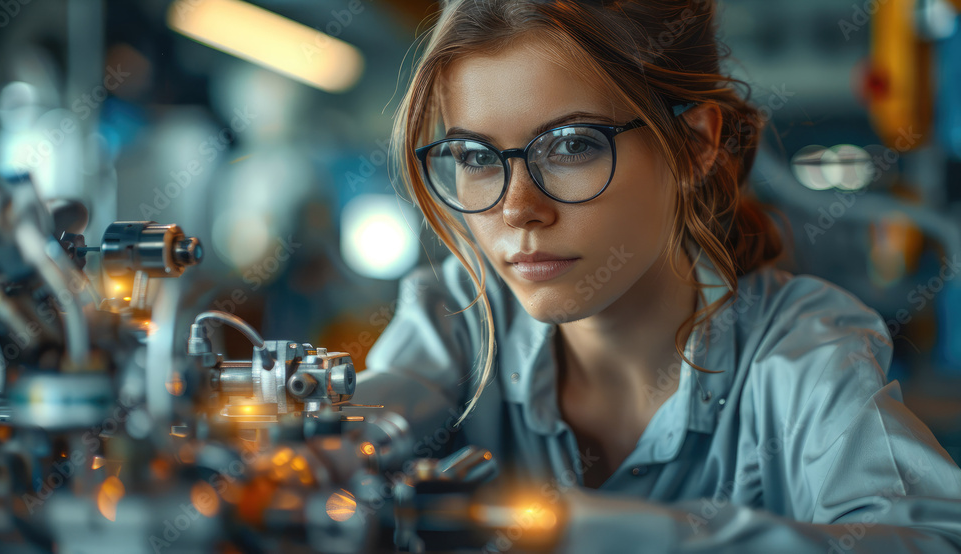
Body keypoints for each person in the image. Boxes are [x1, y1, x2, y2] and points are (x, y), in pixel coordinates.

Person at [349, 0, 961, 551]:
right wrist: (337, 444)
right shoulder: (460, 311)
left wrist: (582, 532)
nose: (516, 209)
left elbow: (929, 541)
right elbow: (386, 405)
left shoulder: (802, 350)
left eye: (571, 145)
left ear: (694, 145)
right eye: (475, 158)